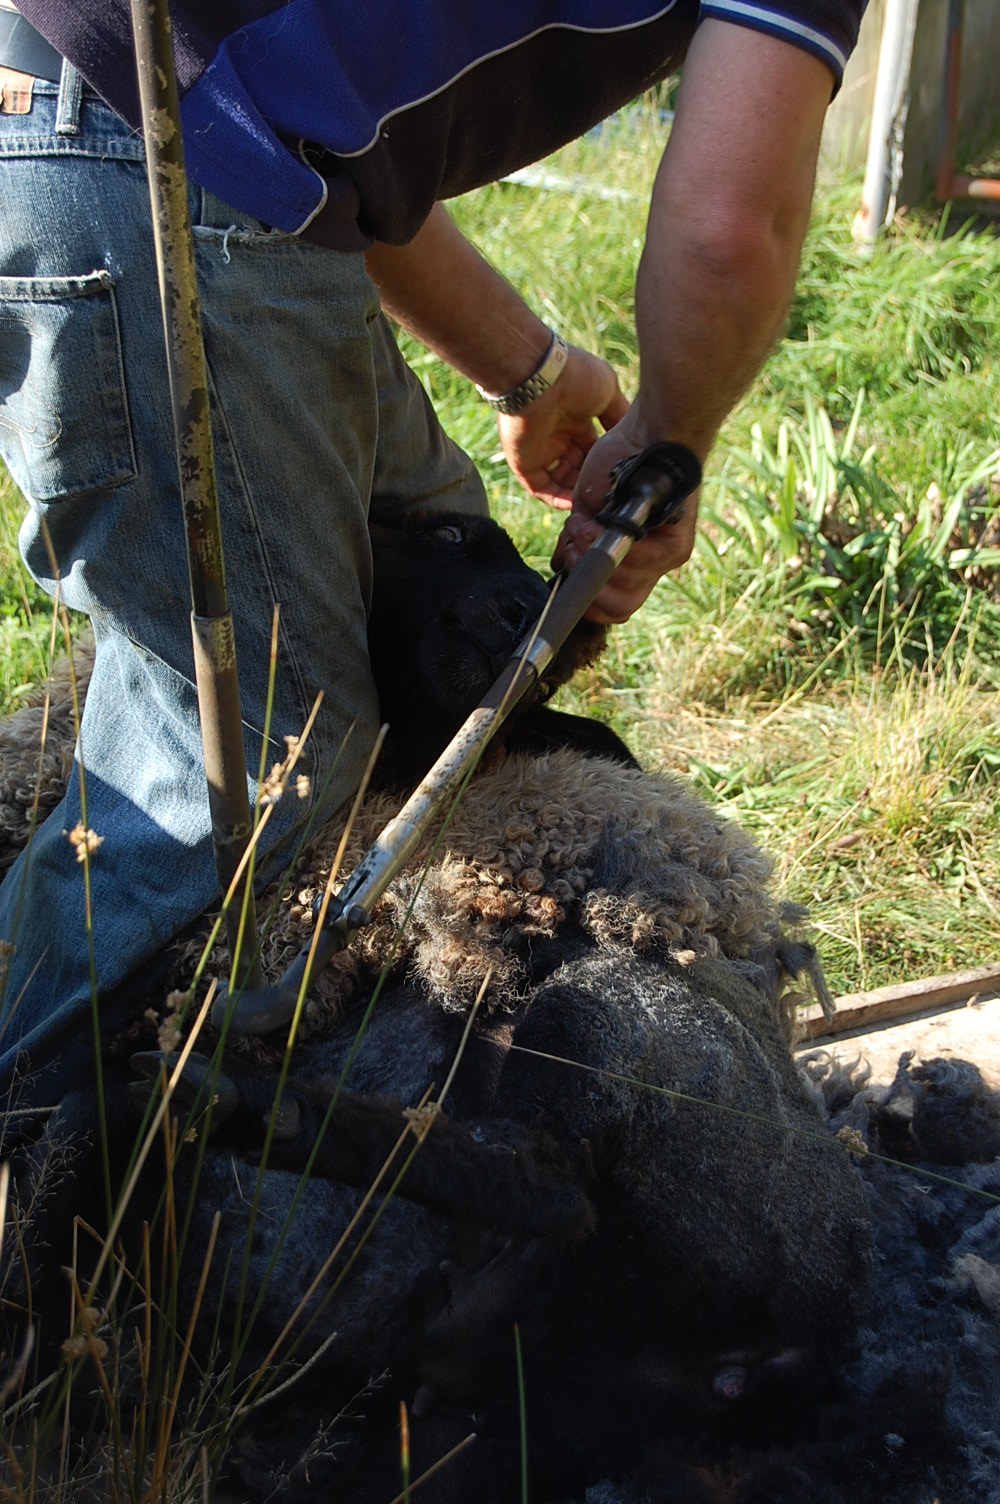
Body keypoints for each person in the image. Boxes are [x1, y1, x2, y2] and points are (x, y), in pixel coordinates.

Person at [0, 0, 867, 1096]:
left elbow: (317, 131)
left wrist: (535, 369)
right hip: (153, 164)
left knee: (436, 529)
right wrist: (667, 443)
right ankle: (25, 1144)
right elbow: (728, 230)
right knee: (263, 740)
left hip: (155, 125)